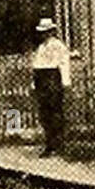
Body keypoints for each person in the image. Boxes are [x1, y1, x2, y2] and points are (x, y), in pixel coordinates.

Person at [31, 18, 70, 156]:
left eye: (47, 32)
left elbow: (64, 64)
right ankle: (49, 143)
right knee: (44, 114)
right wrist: (34, 84)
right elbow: (36, 66)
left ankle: (58, 144)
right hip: (42, 80)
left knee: (55, 112)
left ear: (52, 32)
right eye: (42, 32)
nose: (44, 34)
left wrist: (65, 82)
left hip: (52, 78)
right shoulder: (41, 47)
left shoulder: (58, 46)